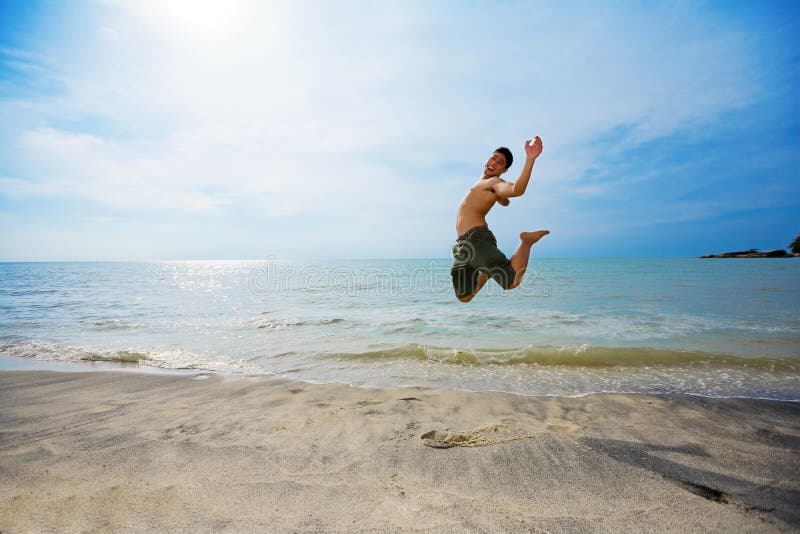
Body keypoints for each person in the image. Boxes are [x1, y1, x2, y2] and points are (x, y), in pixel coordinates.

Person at [451, 137, 549, 302]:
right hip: (461, 246)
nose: (494, 162)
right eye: (493, 157)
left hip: (477, 241)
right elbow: (504, 200)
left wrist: (530, 159)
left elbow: (516, 190)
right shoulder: (481, 183)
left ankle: (526, 242)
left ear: (503, 170)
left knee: (511, 281)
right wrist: (501, 199)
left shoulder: (494, 182)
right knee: (464, 296)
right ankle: (486, 273)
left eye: (500, 162)